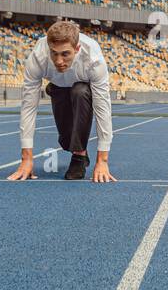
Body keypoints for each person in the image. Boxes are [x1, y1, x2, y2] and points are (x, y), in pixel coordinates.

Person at [8, 20, 116, 182]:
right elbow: (29, 107)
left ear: (77, 49)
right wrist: (26, 159)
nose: (59, 61)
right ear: (48, 48)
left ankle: (79, 156)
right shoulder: (38, 57)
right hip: (58, 88)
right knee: (66, 142)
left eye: (65, 54)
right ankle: (76, 148)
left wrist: (102, 161)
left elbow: (103, 109)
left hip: (82, 90)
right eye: (54, 53)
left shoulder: (93, 59)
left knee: (80, 91)